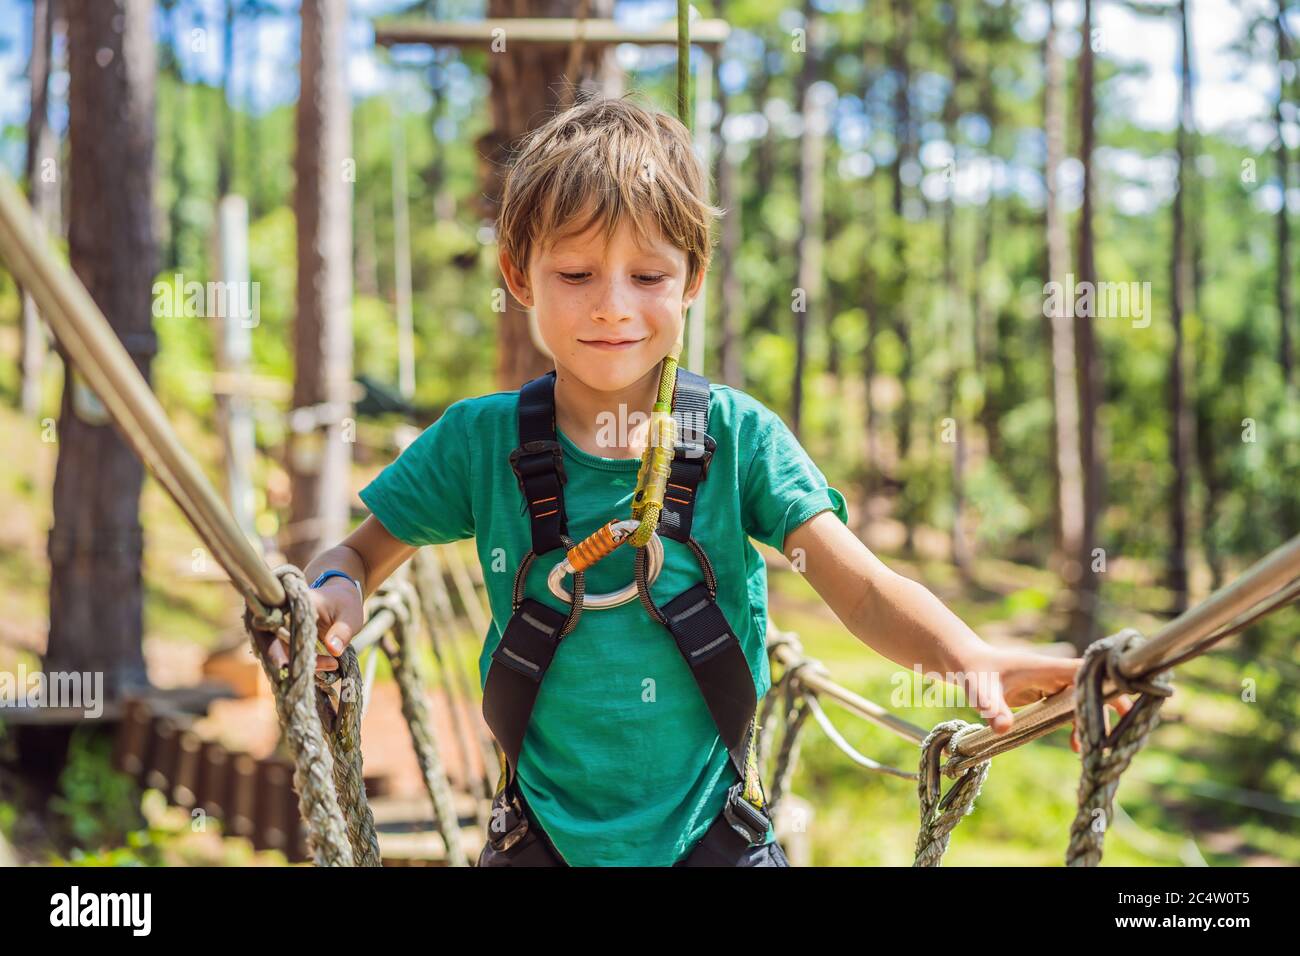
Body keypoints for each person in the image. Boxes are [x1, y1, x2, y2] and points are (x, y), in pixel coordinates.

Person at [268, 93, 1131, 867]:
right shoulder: (479, 442)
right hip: (542, 838)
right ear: (518, 276)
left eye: (648, 276)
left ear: (693, 284)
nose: (612, 305)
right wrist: (335, 592)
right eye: (575, 275)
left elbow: (859, 586)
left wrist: (966, 656)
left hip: (709, 838)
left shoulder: (733, 439)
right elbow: (360, 551)